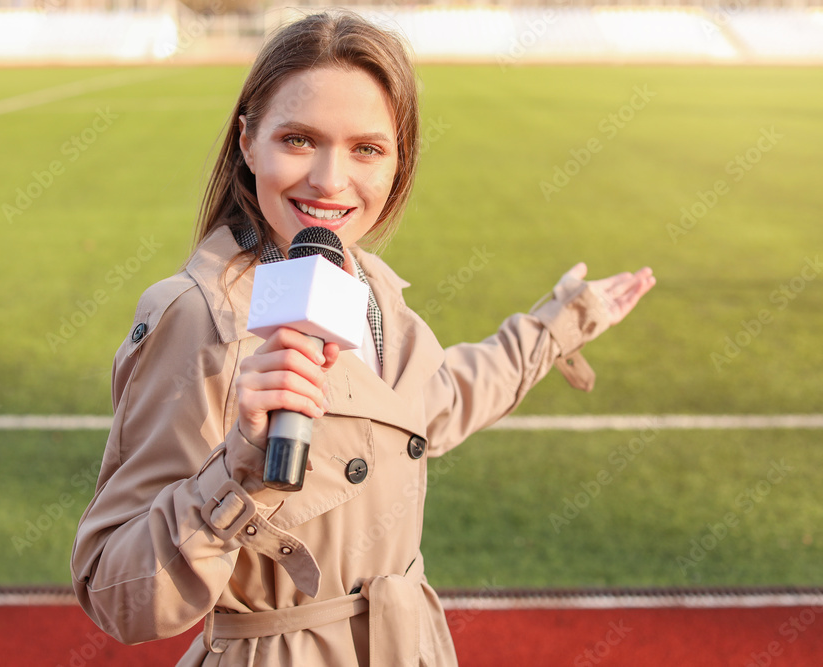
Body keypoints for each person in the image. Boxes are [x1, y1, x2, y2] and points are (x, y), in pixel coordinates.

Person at [70, 10, 655, 666]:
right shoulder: (197, 317)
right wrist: (241, 465)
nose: (328, 178)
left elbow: (433, 402)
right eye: (298, 139)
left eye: (366, 148)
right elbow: (117, 594)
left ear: (398, 160)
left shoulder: (369, 283)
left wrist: (558, 324)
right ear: (248, 142)